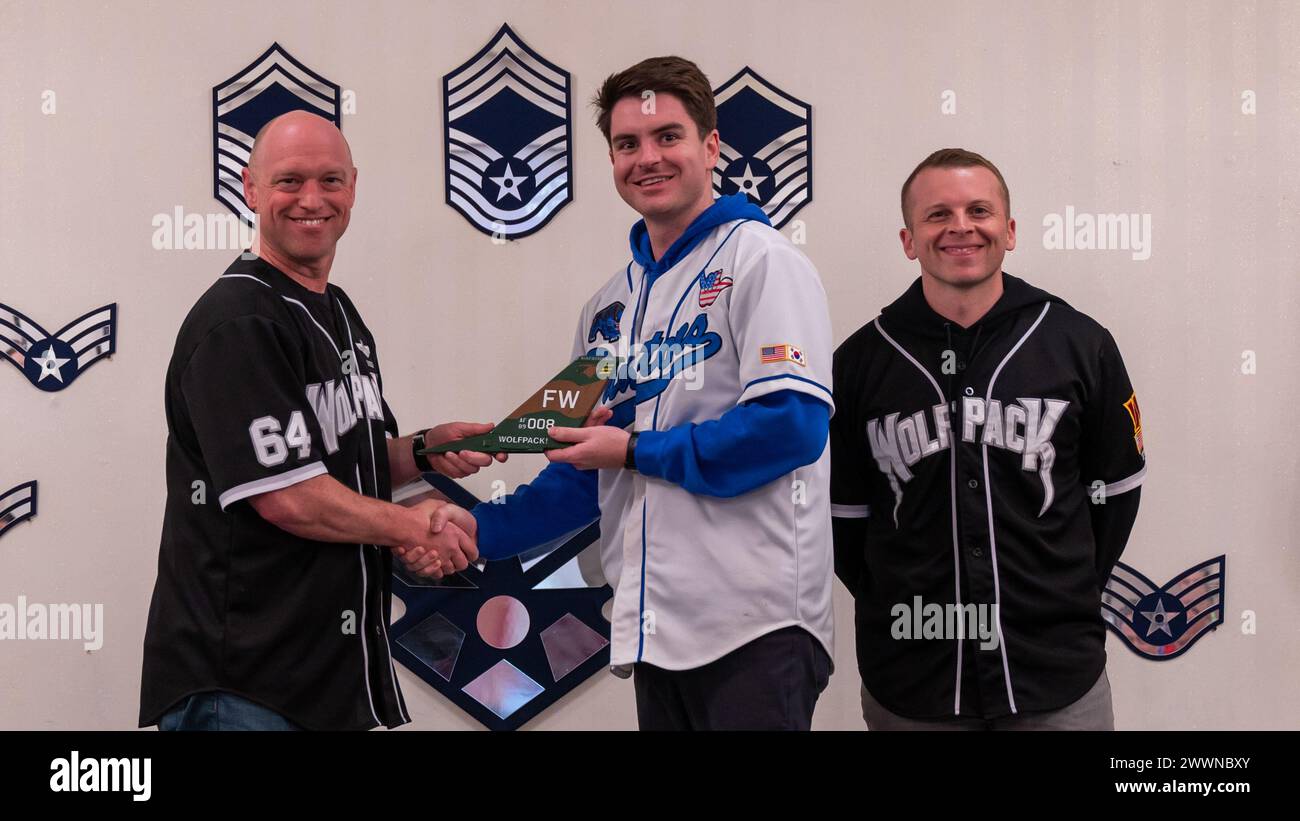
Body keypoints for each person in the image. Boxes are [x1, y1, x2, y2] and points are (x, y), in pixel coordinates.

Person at [400, 56, 836, 731]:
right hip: (655, 627)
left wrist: (632, 448)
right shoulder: (610, 306)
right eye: (627, 143)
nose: (647, 157)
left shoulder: (765, 262)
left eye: (668, 136)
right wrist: (479, 528)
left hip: (757, 624)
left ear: (711, 146)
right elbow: (583, 475)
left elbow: (791, 426)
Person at [140, 111, 500, 731]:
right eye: (289, 181)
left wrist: (421, 450)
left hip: (327, 675)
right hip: (243, 686)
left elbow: (343, 461)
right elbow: (288, 495)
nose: (312, 199)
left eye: (330, 181)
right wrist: (412, 528)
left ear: (354, 187)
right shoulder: (239, 320)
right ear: (250, 189)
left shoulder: (338, 311)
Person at [830, 148, 1146, 730]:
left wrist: (1057, 592)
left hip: (1054, 673)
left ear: (1010, 230)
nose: (961, 226)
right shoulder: (859, 362)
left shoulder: (1080, 342)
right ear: (907, 239)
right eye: (937, 214)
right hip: (913, 677)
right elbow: (845, 521)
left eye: (979, 209)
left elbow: (1116, 493)